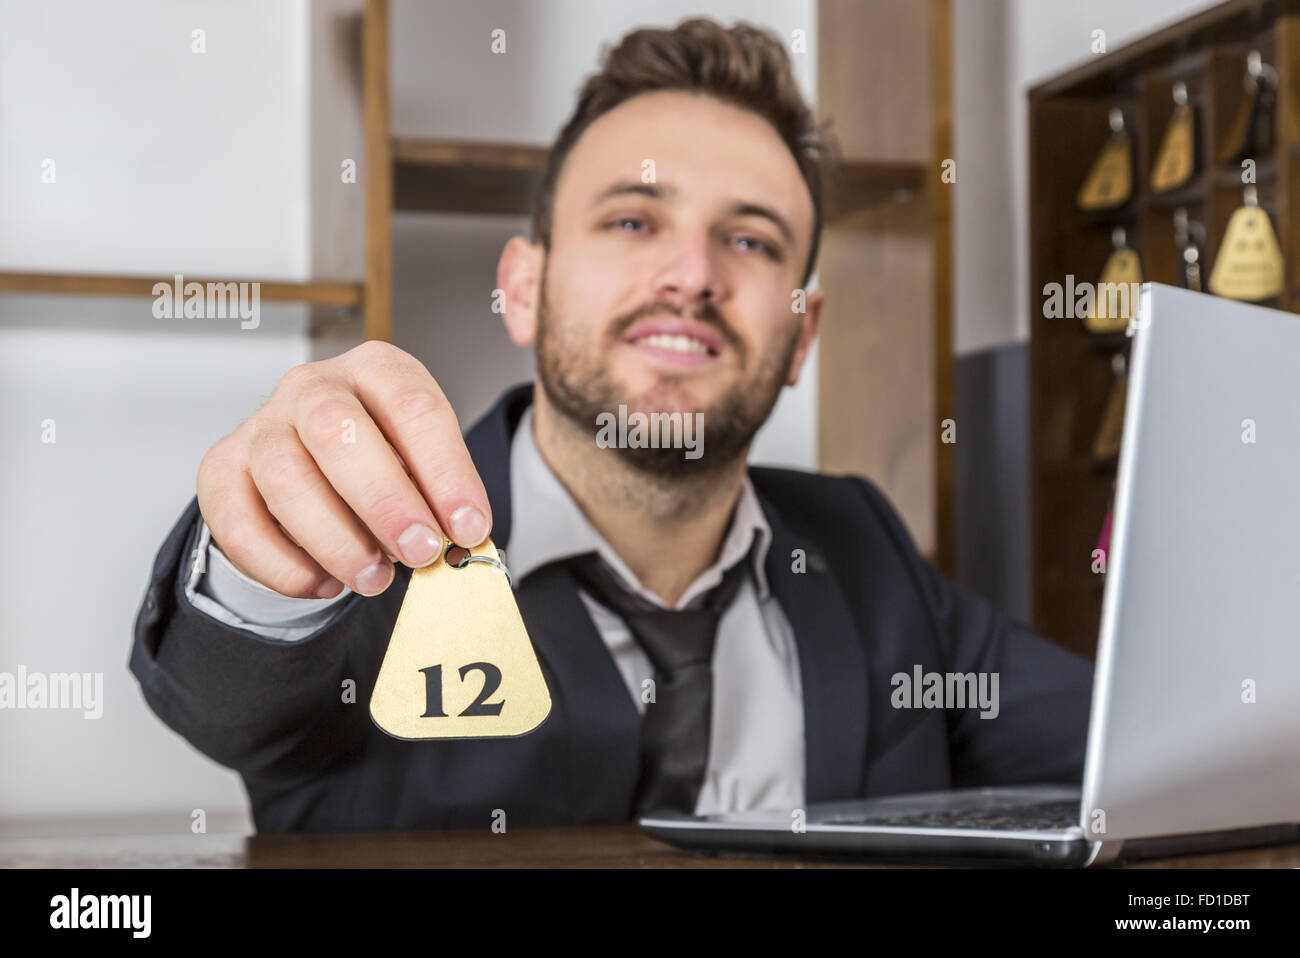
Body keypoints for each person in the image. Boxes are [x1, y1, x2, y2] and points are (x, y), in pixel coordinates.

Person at [130, 17, 1091, 832]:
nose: (691, 274)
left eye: (751, 240)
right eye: (634, 220)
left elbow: (1124, 741)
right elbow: (224, 706)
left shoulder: (863, 545)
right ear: (523, 289)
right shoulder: (371, 547)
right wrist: (266, 553)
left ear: (802, 336)